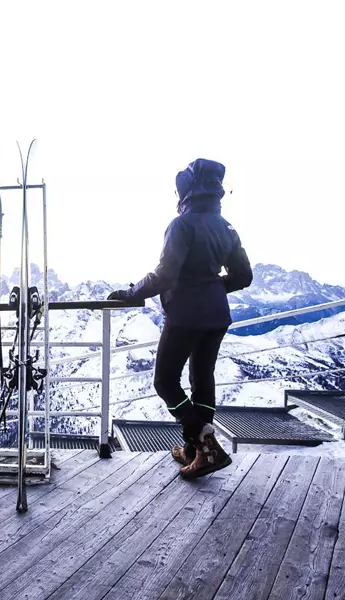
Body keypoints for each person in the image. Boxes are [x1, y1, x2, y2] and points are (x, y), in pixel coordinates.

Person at [106, 158, 252, 479]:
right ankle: (194, 451)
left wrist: (132, 293)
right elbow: (243, 276)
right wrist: (213, 287)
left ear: (187, 191)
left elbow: (164, 275)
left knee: (165, 381)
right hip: (216, 317)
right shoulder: (226, 227)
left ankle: (205, 442)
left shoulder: (181, 226)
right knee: (203, 380)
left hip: (186, 315)